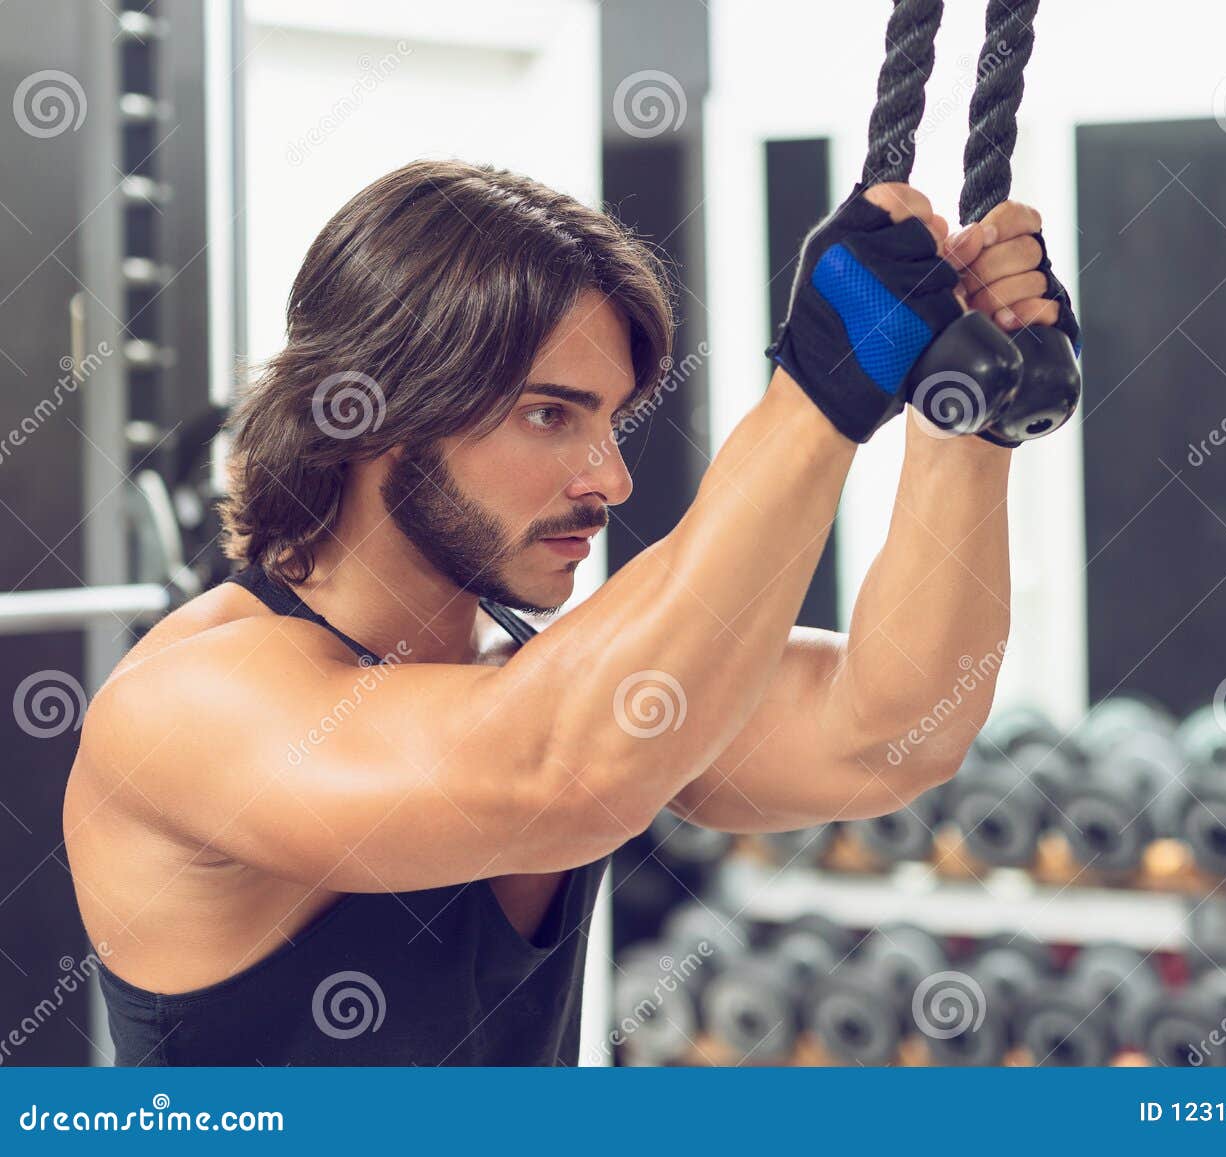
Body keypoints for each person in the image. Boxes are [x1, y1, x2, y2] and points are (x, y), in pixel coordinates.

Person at [62, 158, 1074, 1065]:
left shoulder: (536, 673)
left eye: (610, 419)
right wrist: (815, 401)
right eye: (550, 414)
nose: (611, 478)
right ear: (372, 413)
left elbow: (891, 731)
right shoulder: (191, 701)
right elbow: (553, 770)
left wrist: (967, 421)